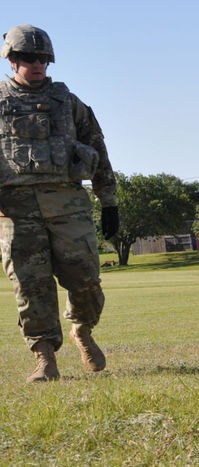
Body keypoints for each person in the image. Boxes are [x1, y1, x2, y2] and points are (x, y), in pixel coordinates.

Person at [1, 25, 117, 382]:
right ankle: (45, 358)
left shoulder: (69, 103)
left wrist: (109, 201)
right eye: (28, 58)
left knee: (86, 282)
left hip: (68, 205)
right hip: (15, 210)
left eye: (43, 59)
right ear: (12, 59)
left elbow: (97, 148)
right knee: (31, 286)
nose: (37, 65)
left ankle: (82, 330)